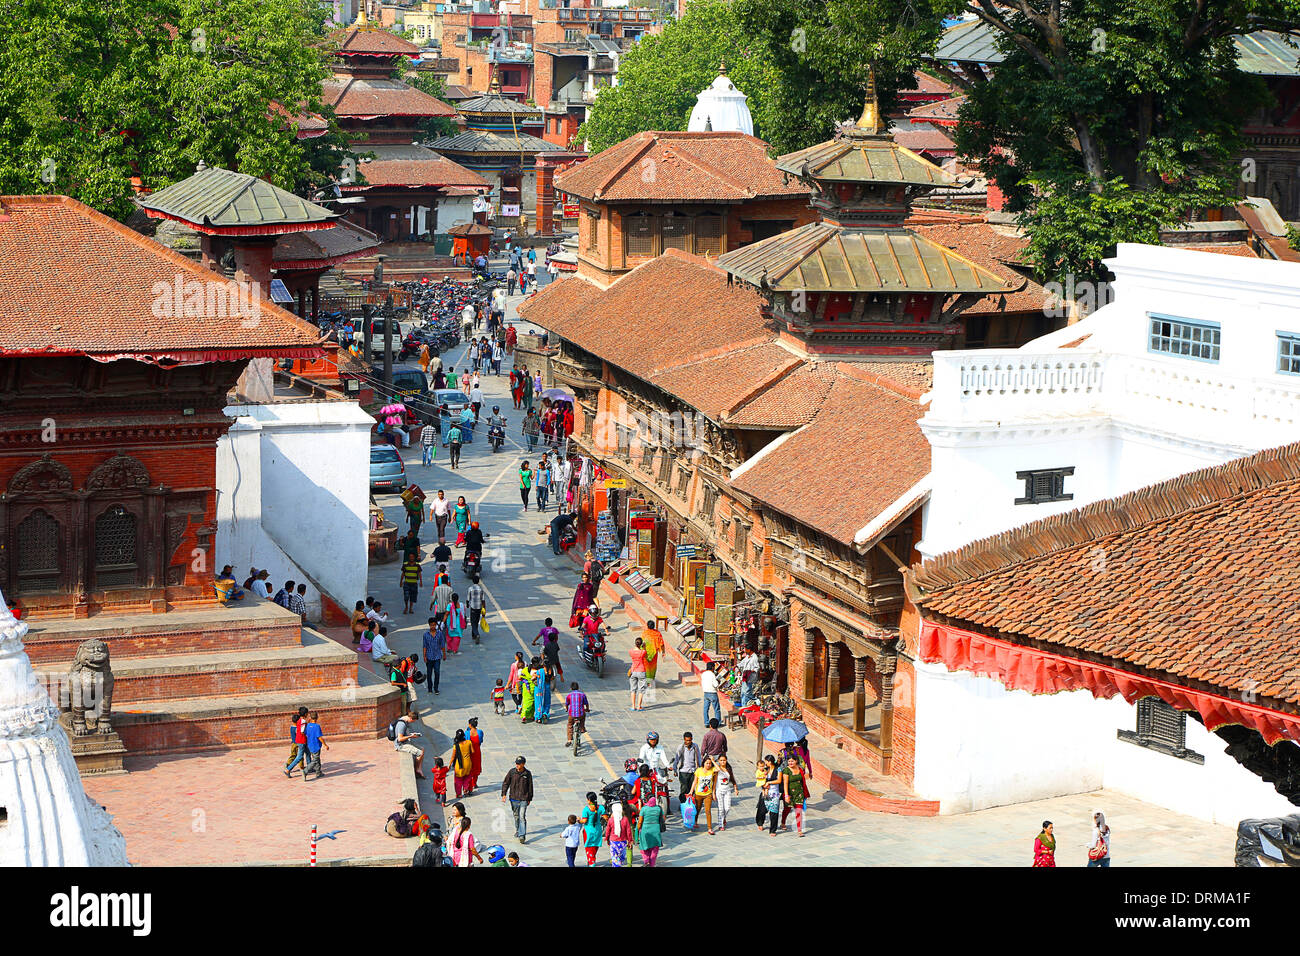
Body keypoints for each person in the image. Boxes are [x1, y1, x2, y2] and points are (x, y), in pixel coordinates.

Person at [500, 755, 534, 843]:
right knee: (516, 816)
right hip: (514, 798)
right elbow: (506, 783)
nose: (517, 765)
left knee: (522, 816)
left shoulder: (527, 774)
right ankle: (518, 830)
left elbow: (530, 786)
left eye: (519, 764)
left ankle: (522, 835)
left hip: (524, 798)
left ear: (523, 764)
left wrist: (529, 798)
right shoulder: (512, 772)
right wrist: (504, 794)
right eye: (516, 763)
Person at [393, 706, 425, 778]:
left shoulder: (404, 719)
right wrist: (411, 736)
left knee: (422, 749)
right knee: (420, 753)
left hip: (404, 741)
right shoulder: (402, 725)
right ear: (411, 718)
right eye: (413, 721)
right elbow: (400, 739)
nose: (413, 722)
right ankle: (417, 769)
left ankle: (419, 768)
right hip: (400, 745)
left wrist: (411, 734)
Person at [781, 753, 808, 837]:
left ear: (796, 761)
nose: (790, 763)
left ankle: (799, 830)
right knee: (787, 810)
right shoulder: (786, 770)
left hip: (799, 793)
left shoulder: (800, 769)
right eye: (789, 761)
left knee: (799, 811)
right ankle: (783, 822)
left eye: (792, 761)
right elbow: (785, 783)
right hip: (789, 793)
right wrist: (786, 795)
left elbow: (803, 780)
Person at [672, 731, 702, 806]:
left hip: (693, 771)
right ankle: (683, 803)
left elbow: (698, 757)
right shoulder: (681, 747)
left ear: (692, 739)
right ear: (684, 740)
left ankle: (690, 803)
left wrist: (700, 768)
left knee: (691, 788)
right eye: (687, 740)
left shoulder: (695, 746)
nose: (688, 742)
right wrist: (675, 769)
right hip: (683, 771)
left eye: (690, 740)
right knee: (684, 788)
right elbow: (677, 759)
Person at [692, 755, 718, 834]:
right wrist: (691, 791)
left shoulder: (712, 770)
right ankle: (695, 822)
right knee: (697, 809)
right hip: (698, 794)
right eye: (707, 763)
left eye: (710, 763)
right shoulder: (698, 770)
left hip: (708, 794)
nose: (708, 765)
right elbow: (695, 782)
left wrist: (713, 761)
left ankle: (709, 828)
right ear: (703, 763)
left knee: (708, 810)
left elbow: (718, 769)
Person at [635, 798, 664, 866]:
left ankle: (646, 861)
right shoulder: (658, 808)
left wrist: (638, 830)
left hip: (645, 830)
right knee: (654, 849)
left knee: (644, 848)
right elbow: (663, 818)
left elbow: (640, 822)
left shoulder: (644, 809)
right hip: (656, 830)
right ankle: (652, 864)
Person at [421, 616, 446, 695]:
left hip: (437, 656)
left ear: (436, 625)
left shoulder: (440, 634)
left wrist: (444, 654)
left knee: (437, 672)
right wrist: (424, 656)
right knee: (429, 673)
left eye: (434, 625)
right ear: (429, 625)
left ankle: (436, 688)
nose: (433, 626)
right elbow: (424, 646)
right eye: (431, 625)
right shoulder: (426, 635)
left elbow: (442, 645)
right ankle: (429, 688)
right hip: (429, 657)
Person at [605, 800, 633, 867]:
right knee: (620, 859)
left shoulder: (611, 820)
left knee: (615, 860)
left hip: (614, 842)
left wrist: (607, 839)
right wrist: (630, 841)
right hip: (623, 842)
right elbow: (628, 831)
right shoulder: (625, 819)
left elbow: (608, 831)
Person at [283, 706, 309, 777]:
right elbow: (302, 731)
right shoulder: (303, 721)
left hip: (298, 740)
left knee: (308, 753)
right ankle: (288, 769)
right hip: (302, 740)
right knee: (299, 757)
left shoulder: (299, 721)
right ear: (306, 714)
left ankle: (310, 767)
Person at [714, 754, 738, 831]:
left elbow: (732, 779)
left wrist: (735, 788)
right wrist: (713, 793)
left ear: (726, 760)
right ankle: (721, 825)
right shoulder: (716, 769)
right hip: (719, 790)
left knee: (727, 808)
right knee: (721, 809)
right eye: (721, 760)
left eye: (724, 760)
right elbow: (714, 782)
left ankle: (723, 818)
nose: (723, 762)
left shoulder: (728, 769)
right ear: (718, 761)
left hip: (727, 790)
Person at [302, 711, 328, 780]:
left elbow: (305, 734)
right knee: (315, 760)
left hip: (310, 745)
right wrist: (325, 745)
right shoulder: (317, 726)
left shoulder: (307, 726)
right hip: (316, 745)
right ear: (317, 718)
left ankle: (318, 772)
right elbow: (319, 737)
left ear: (310, 717)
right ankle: (305, 771)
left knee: (317, 758)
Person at [564, 681, 589, 749]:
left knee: (570, 725)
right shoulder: (582, 695)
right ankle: (582, 728)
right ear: (578, 687)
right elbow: (586, 703)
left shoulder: (569, 695)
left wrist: (566, 709)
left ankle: (569, 740)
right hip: (580, 714)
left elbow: (566, 704)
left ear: (571, 688)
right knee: (583, 717)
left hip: (571, 714)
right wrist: (587, 709)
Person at [450, 728, 474, 798]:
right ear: (463, 735)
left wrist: (449, 765)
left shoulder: (456, 745)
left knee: (458, 780)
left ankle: (459, 794)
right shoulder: (469, 742)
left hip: (459, 766)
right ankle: (465, 789)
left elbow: (453, 757)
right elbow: (472, 751)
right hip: (468, 764)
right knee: (467, 778)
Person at [580, 792, 603, 866]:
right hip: (598, 830)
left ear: (589, 800)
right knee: (595, 846)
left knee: (589, 848)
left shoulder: (586, 809)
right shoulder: (601, 808)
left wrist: (578, 820)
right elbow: (606, 817)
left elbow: (584, 821)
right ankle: (591, 860)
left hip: (588, 831)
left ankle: (591, 862)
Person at [762, 755, 782, 835]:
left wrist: (769, 782)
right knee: (764, 809)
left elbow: (779, 780)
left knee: (774, 811)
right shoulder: (766, 769)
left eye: (766, 761)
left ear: (769, 762)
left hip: (775, 793)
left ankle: (773, 829)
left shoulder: (778, 769)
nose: (765, 763)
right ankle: (761, 822)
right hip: (766, 791)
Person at [628, 636, 649, 711]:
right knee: (641, 689)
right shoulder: (643, 652)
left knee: (633, 689)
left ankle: (633, 706)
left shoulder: (630, 651)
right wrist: (644, 647)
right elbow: (646, 656)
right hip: (641, 671)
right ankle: (639, 706)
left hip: (633, 671)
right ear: (641, 644)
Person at [642, 621, 664, 688]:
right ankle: (652, 680)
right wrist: (663, 652)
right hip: (654, 653)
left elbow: (643, 643)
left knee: (647, 667)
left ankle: (648, 682)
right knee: (653, 667)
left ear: (647, 626)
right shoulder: (658, 633)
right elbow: (662, 644)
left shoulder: (645, 633)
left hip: (646, 653)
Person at [466, 717, 485, 791]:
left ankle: (470, 784)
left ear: (470, 725)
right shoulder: (480, 732)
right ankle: (474, 783)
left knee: (470, 769)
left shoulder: (467, 733)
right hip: (477, 752)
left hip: (470, 753)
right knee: (476, 768)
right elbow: (480, 741)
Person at [465, 574, 485, 644]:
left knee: (473, 622)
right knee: (476, 621)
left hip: (473, 607)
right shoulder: (481, 589)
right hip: (479, 607)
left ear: (473, 581)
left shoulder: (470, 589)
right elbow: (483, 600)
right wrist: (484, 609)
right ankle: (473, 635)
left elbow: (468, 598)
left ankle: (476, 634)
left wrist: (467, 605)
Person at [701, 661, 721, 727]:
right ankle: (718, 722)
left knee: (706, 708)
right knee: (716, 709)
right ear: (712, 667)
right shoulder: (712, 674)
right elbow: (715, 684)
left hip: (706, 692)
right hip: (712, 693)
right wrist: (718, 681)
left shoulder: (703, 674)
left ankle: (706, 722)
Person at [518, 657, 538, 723]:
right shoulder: (538, 670)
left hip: (526, 689)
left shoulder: (525, 670)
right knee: (533, 703)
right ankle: (531, 716)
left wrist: (526, 682)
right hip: (535, 688)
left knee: (526, 702)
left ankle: (524, 715)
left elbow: (520, 678)